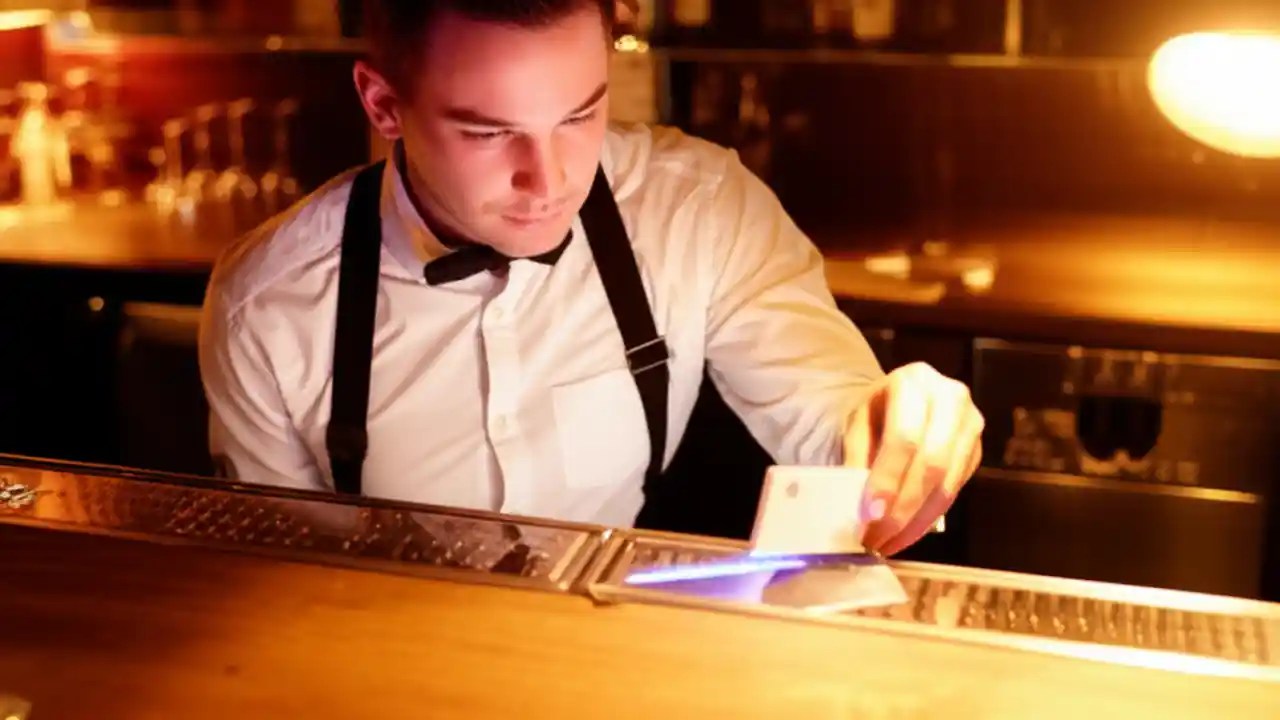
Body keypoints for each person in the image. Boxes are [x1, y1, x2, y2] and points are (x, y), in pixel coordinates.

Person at [198, 0, 984, 557]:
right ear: (382, 103)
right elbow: (288, 581)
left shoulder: (699, 210)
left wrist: (895, 423)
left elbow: (833, 421)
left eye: (579, 116)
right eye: (490, 131)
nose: (548, 180)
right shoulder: (265, 309)